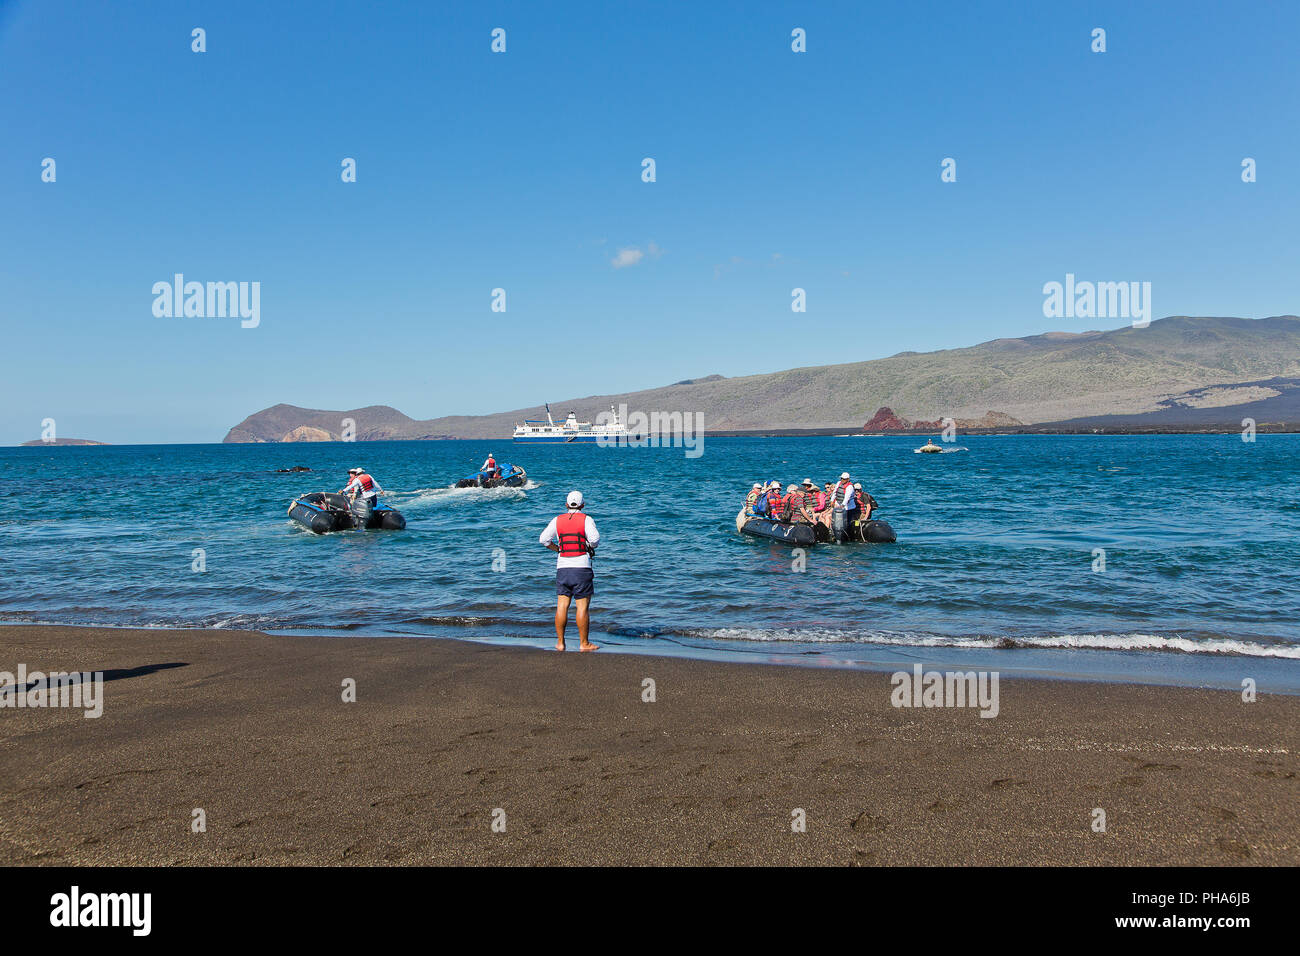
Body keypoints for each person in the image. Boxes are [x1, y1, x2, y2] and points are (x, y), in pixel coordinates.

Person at [538, 490, 600, 652]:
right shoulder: (587, 519)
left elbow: (543, 539)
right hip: (581, 567)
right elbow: (594, 540)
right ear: (582, 505)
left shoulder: (557, 520)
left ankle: (560, 643)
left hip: (563, 567)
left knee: (562, 606)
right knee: (582, 607)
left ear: (566, 505)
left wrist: (557, 549)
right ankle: (584, 643)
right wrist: (588, 547)